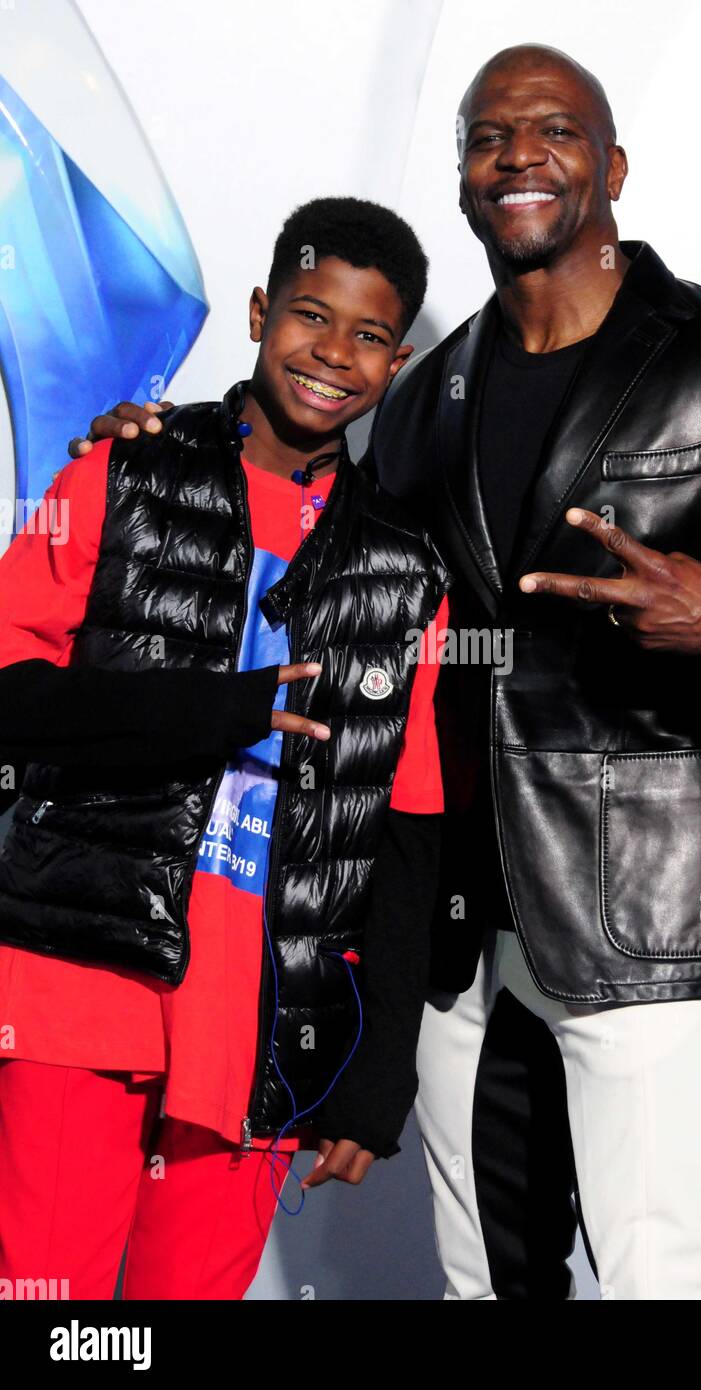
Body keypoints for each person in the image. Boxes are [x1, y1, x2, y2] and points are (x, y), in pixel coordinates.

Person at [72, 44, 701, 1302]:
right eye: (488, 135)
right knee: (482, 1278)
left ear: (613, 165)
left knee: (659, 1273)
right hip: (456, 917)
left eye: (555, 130)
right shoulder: (423, 395)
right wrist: (156, 443)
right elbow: (320, 531)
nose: (519, 153)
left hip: (646, 908)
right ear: (464, 180)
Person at [0, 196, 449, 1300]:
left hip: (260, 1018)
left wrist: (376, 1076)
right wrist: (215, 710)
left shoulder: (404, 571)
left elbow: (406, 830)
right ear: (258, 311)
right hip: (77, 977)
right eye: (309, 315)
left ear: (394, 363)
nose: (333, 354)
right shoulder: (125, 472)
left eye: (371, 336)